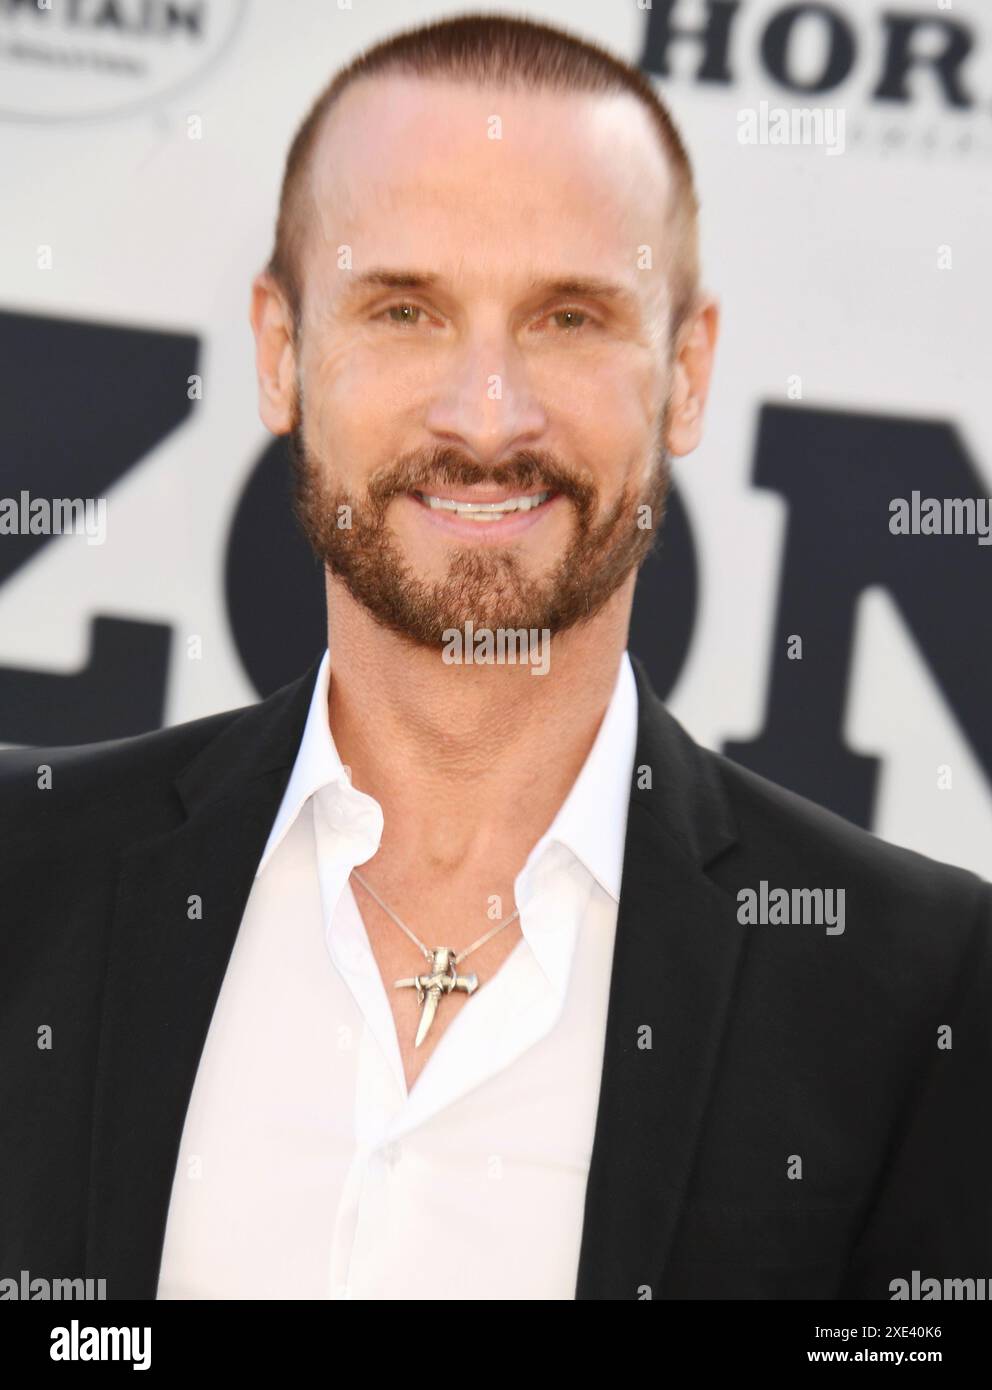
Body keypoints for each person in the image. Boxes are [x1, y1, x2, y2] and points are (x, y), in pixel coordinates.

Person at [1, 13, 989, 1302]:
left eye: (569, 317)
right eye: (405, 308)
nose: (486, 415)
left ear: (686, 372)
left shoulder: (916, 989)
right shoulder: (25, 870)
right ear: (281, 351)